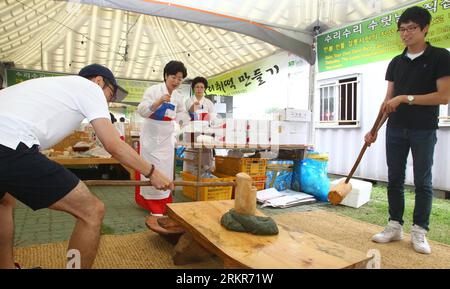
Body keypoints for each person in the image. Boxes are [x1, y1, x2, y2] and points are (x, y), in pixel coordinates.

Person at [0, 64, 174, 269]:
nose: (109, 101)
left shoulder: (53, 88)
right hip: (9, 144)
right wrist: (152, 172)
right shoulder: (88, 88)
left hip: (7, 142)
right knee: (92, 211)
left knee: (4, 202)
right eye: (110, 95)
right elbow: (113, 145)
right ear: (98, 81)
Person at [365, 6, 450, 254]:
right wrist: (375, 129)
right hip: (395, 128)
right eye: (402, 29)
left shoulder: (440, 57)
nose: (406, 33)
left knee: (423, 181)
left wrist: (405, 98)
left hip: (423, 129)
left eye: (412, 28)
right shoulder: (396, 62)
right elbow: (388, 101)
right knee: (394, 179)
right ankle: (394, 225)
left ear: (425, 29)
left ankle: (420, 231)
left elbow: (443, 97)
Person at [136, 60, 189, 216]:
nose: (176, 81)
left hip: (167, 136)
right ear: (166, 75)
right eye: (173, 77)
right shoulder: (153, 90)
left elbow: (181, 114)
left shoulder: (178, 96)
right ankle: (152, 205)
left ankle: (164, 203)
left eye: (180, 79)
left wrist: (187, 120)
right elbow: (142, 111)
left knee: (165, 169)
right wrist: (158, 102)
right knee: (152, 168)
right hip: (151, 134)